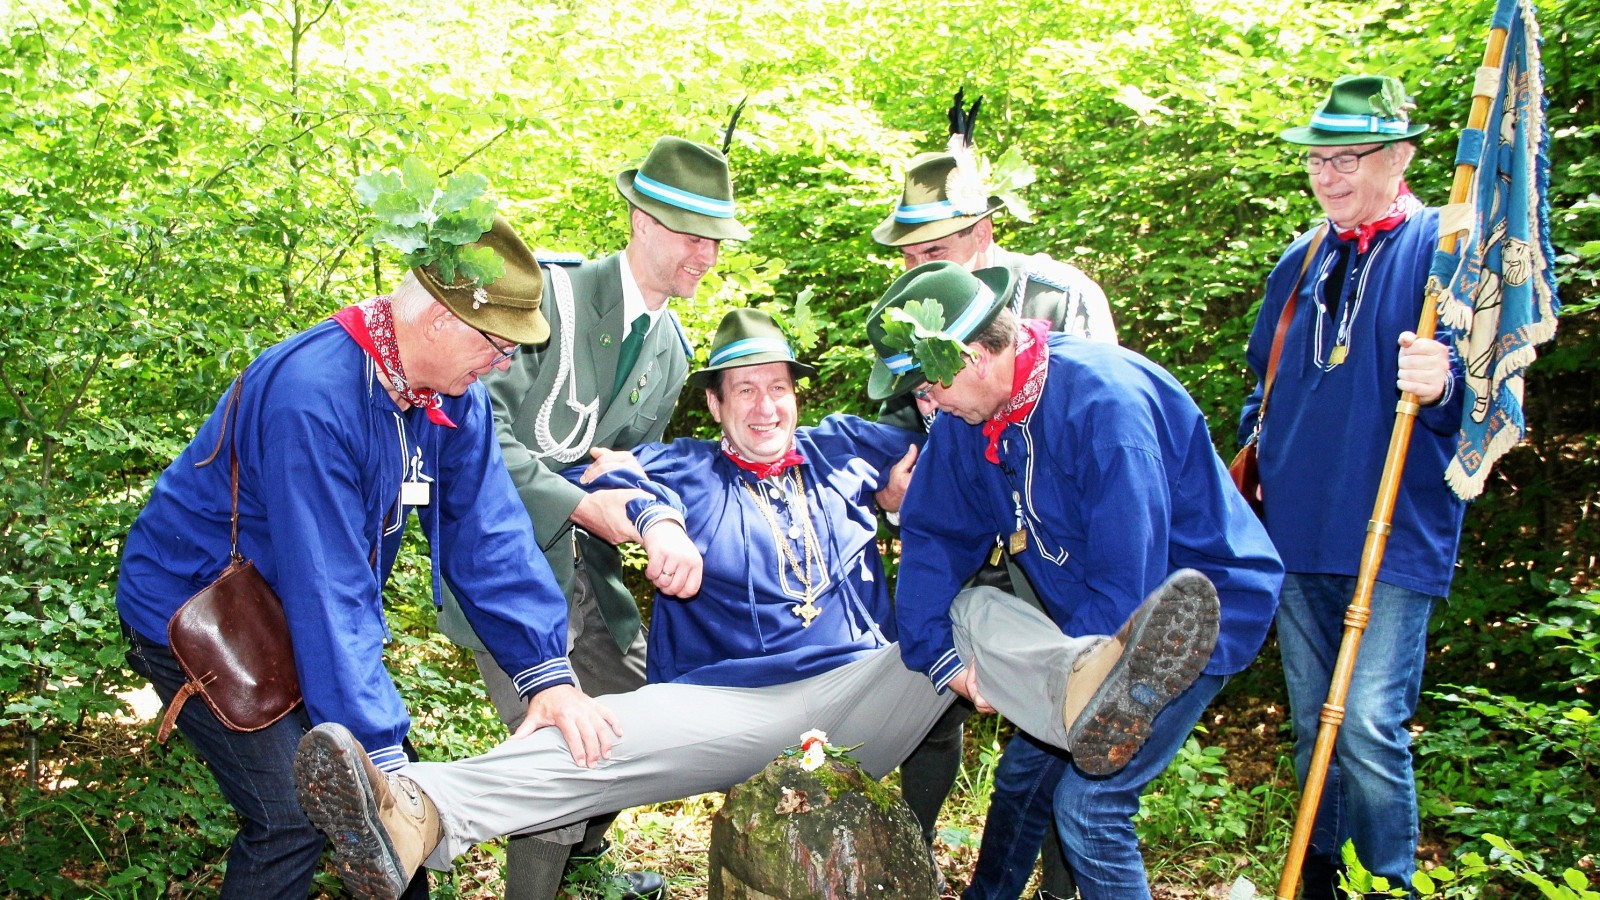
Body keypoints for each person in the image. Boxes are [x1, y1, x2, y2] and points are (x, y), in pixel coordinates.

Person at [291, 307, 1226, 900]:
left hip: (874, 684)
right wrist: (658, 528)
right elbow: (618, 477)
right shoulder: (686, 468)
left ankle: (1086, 685)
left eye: (776, 387)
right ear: (718, 405)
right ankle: (413, 808)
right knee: (594, 733)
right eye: (743, 390)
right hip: (732, 707)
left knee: (966, 609)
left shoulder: (840, 447)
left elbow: (928, 466)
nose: (765, 406)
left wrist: (932, 463)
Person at [116, 217, 621, 898]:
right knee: (294, 816)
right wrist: (377, 751)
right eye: (497, 346)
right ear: (441, 321)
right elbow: (329, 583)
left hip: (297, 606)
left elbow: (488, 532)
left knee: (394, 818)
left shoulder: (448, 397)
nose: (502, 365)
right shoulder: (313, 398)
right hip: (202, 609)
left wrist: (547, 674)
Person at [868, 262, 1284, 900]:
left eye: (927, 388)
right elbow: (936, 534)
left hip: (1181, 625)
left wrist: (1058, 681)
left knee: (1090, 809)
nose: (927, 406)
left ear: (975, 357)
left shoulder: (1105, 408)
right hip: (1086, 634)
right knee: (1023, 776)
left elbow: (1130, 588)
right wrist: (942, 658)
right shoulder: (966, 420)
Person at [435, 136, 749, 900]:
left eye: (715, 238)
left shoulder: (673, 348)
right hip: (504, 566)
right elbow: (474, 440)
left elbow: (627, 467)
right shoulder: (548, 298)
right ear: (640, 218)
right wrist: (581, 503)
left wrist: (655, 519)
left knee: (642, 714)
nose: (704, 255)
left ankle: (582, 855)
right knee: (565, 750)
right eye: (688, 232)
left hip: (590, 577)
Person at [870, 98, 1119, 897]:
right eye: (906, 255)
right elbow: (895, 433)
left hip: (1055, 554)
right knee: (932, 703)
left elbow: (1099, 435)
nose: (917, 270)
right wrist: (895, 475)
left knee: (1060, 723)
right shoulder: (915, 312)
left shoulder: (1060, 298)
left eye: (934, 249)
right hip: (962, 544)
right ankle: (908, 859)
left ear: (982, 234)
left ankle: (1061, 883)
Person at [1241, 74, 1464, 899]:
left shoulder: (1445, 247)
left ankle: (1388, 886)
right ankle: (1322, 882)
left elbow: (1489, 393)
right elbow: (1261, 384)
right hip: (1297, 534)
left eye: (1348, 157)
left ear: (1399, 156)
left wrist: (1446, 386)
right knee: (1314, 732)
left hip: (1394, 526)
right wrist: (1258, 453)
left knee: (1367, 725)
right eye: (1317, 160)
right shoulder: (1300, 260)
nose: (1328, 175)